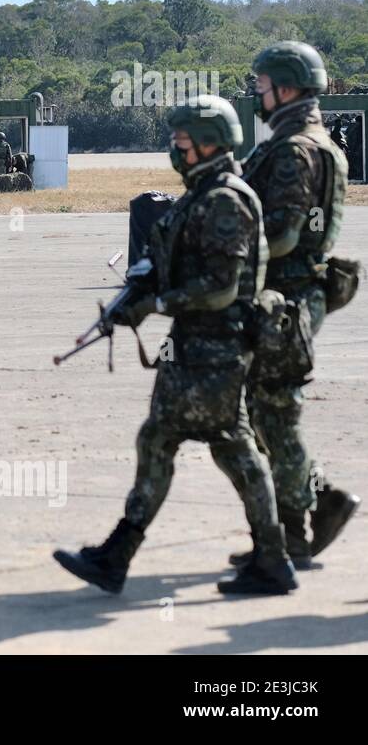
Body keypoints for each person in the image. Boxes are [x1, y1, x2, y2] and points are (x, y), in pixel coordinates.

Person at [54, 96, 297, 596]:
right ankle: (265, 557)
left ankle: (123, 556)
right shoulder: (202, 194)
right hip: (198, 347)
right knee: (201, 445)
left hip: (216, 349)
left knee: (210, 446)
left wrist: (158, 302)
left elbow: (221, 286)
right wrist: (139, 292)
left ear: (209, 143)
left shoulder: (224, 200)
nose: (174, 150)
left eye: (181, 142)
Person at [235, 42, 360, 569]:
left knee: (272, 415)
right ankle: (318, 503)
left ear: (285, 89)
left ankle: (292, 536)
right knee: (267, 413)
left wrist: (224, 244)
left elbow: (283, 233)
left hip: (283, 298)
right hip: (294, 293)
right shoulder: (316, 143)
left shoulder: (292, 151)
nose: (256, 95)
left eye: (262, 86)